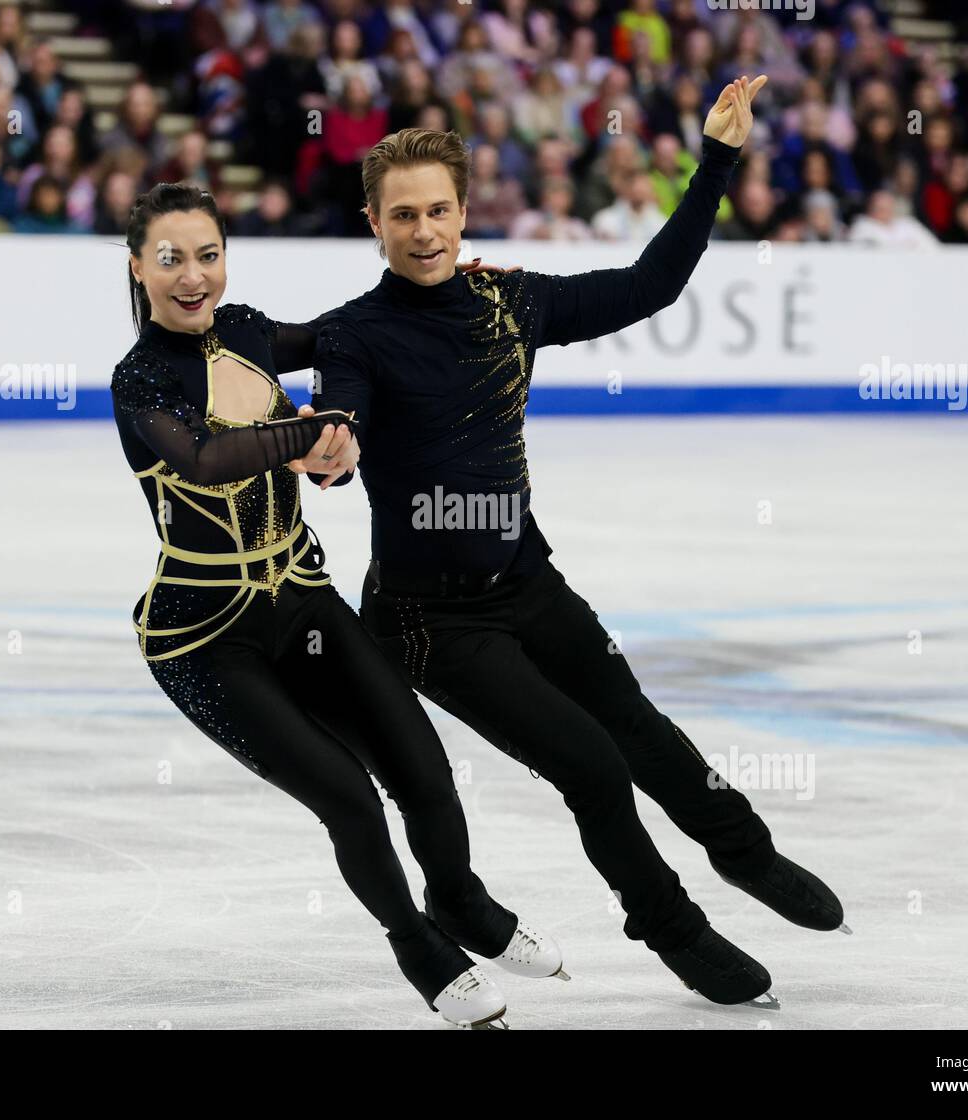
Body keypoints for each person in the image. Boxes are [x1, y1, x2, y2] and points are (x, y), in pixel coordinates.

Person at [311, 76, 848, 1009]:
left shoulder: (510, 303)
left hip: (526, 581)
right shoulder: (354, 337)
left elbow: (649, 284)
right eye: (403, 215)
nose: (424, 231)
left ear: (464, 211)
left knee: (640, 728)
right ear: (374, 223)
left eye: (438, 210)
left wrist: (717, 159)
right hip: (430, 622)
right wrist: (333, 446)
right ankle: (673, 928)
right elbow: (341, 419)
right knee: (593, 767)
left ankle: (744, 849)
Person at [110, 182, 566, 1028]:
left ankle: (460, 901)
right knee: (349, 798)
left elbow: (357, 331)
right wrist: (316, 433)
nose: (192, 277)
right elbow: (205, 458)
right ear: (139, 267)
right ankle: (421, 950)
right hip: (204, 637)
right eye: (171, 260)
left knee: (422, 767)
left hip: (302, 602)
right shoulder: (139, 378)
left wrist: (443, 287)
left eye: (208, 255)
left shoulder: (247, 331)